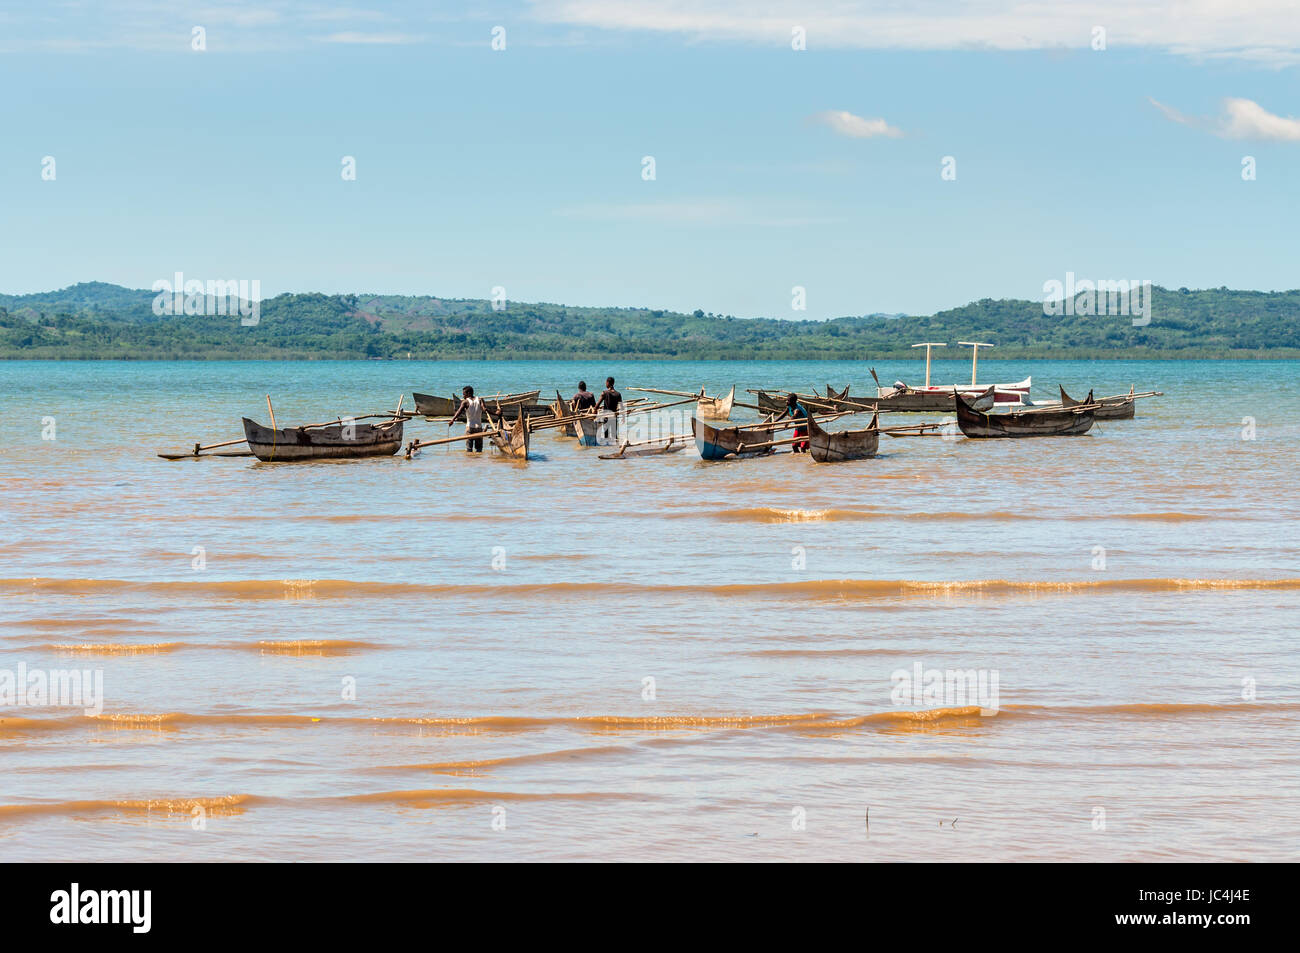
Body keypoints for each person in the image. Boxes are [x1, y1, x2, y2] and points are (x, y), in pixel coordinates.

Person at [450, 385, 486, 452]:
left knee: (469, 449)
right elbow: (485, 409)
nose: (463, 396)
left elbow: (459, 412)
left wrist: (452, 420)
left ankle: (470, 462)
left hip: (470, 428)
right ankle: (479, 461)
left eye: (464, 394)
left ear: (468, 393)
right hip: (479, 428)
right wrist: (496, 413)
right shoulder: (480, 400)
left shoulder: (465, 402)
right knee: (479, 449)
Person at [593, 377, 622, 444]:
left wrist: (594, 411)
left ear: (608, 383)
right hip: (614, 417)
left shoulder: (605, 393)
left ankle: (607, 450)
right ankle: (616, 449)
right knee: (615, 436)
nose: (605, 384)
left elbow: (597, 405)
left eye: (606, 382)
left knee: (606, 436)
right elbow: (621, 407)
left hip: (606, 417)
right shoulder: (618, 394)